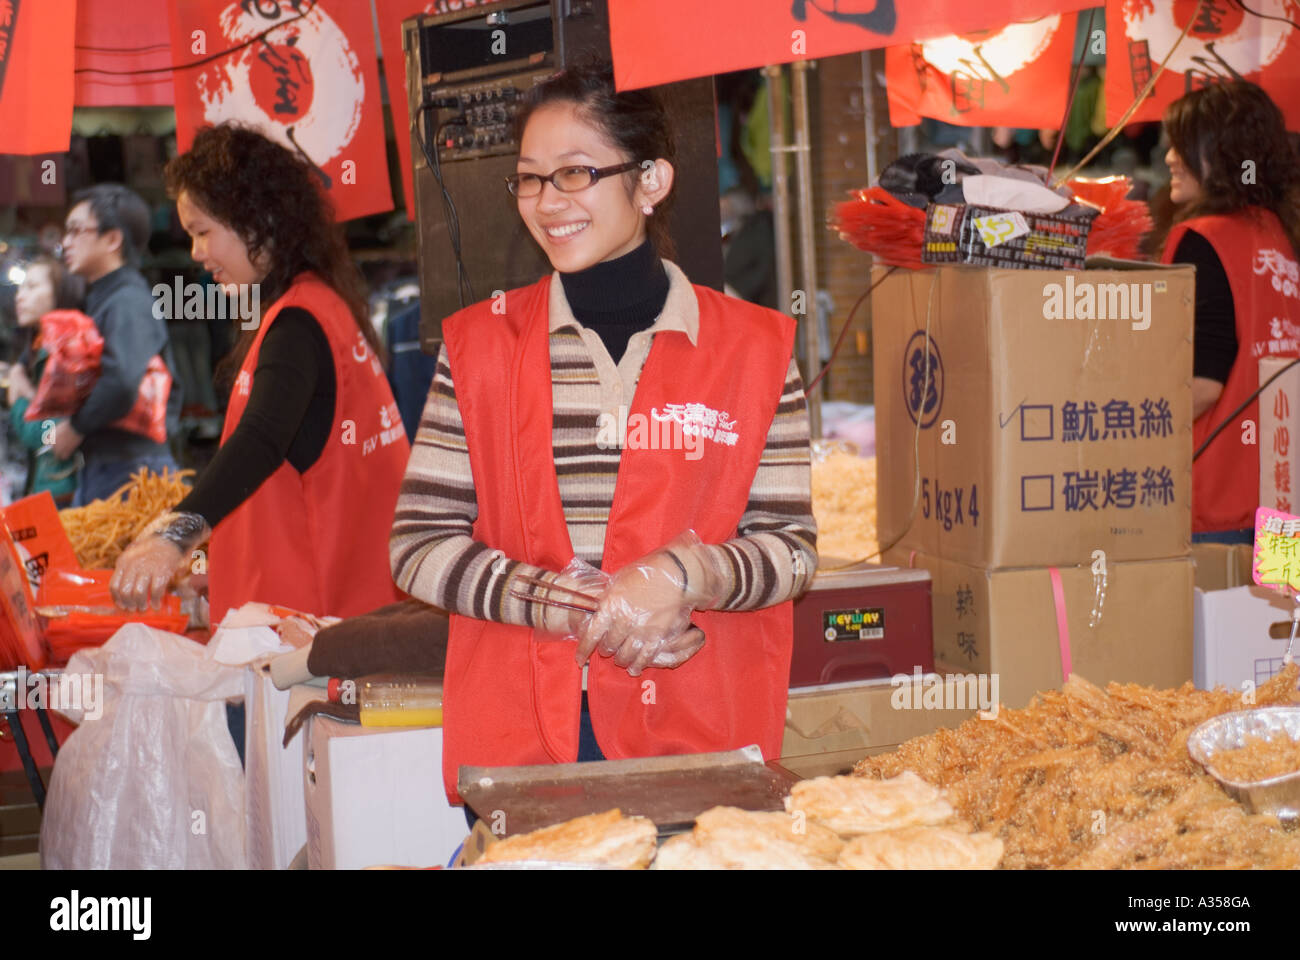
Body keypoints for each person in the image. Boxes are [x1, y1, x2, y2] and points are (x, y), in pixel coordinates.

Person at [389, 61, 817, 806]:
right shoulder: (480, 345)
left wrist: (687, 577)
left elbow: (792, 549)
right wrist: (569, 604)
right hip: (526, 740)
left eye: (575, 173)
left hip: (698, 736)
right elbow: (417, 544)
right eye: (529, 179)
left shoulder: (755, 347)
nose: (547, 203)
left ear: (650, 181)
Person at [109, 124, 410, 626]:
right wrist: (212, 561)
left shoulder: (299, 322)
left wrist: (174, 534)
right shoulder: (315, 307)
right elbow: (281, 474)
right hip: (329, 620)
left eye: (203, 231)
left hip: (316, 636)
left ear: (258, 221)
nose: (197, 254)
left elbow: (262, 439)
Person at [1159, 82, 1300, 543]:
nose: (1169, 160)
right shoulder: (1282, 232)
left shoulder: (1204, 239)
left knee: (1215, 615)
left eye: (1181, 146)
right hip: (1284, 500)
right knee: (1279, 613)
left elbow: (1201, 385)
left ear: (1218, 154)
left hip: (1217, 508)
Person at [58, 184, 183, 503]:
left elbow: (122, 379)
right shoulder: (107, 297)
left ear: (113, 239)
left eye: (75, 231)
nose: (65, 242)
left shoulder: (126, 299)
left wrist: (75, 427)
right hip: (112, 466)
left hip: (130, 469)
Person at [5, 256, 85, 506]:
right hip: (51, 486)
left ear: (60, 294)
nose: (19, 296)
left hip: (67, 492)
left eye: (32, 287)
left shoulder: (66, 352)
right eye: (20, 288)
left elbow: (49, 436)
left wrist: (19, 401)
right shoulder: (39, 348)